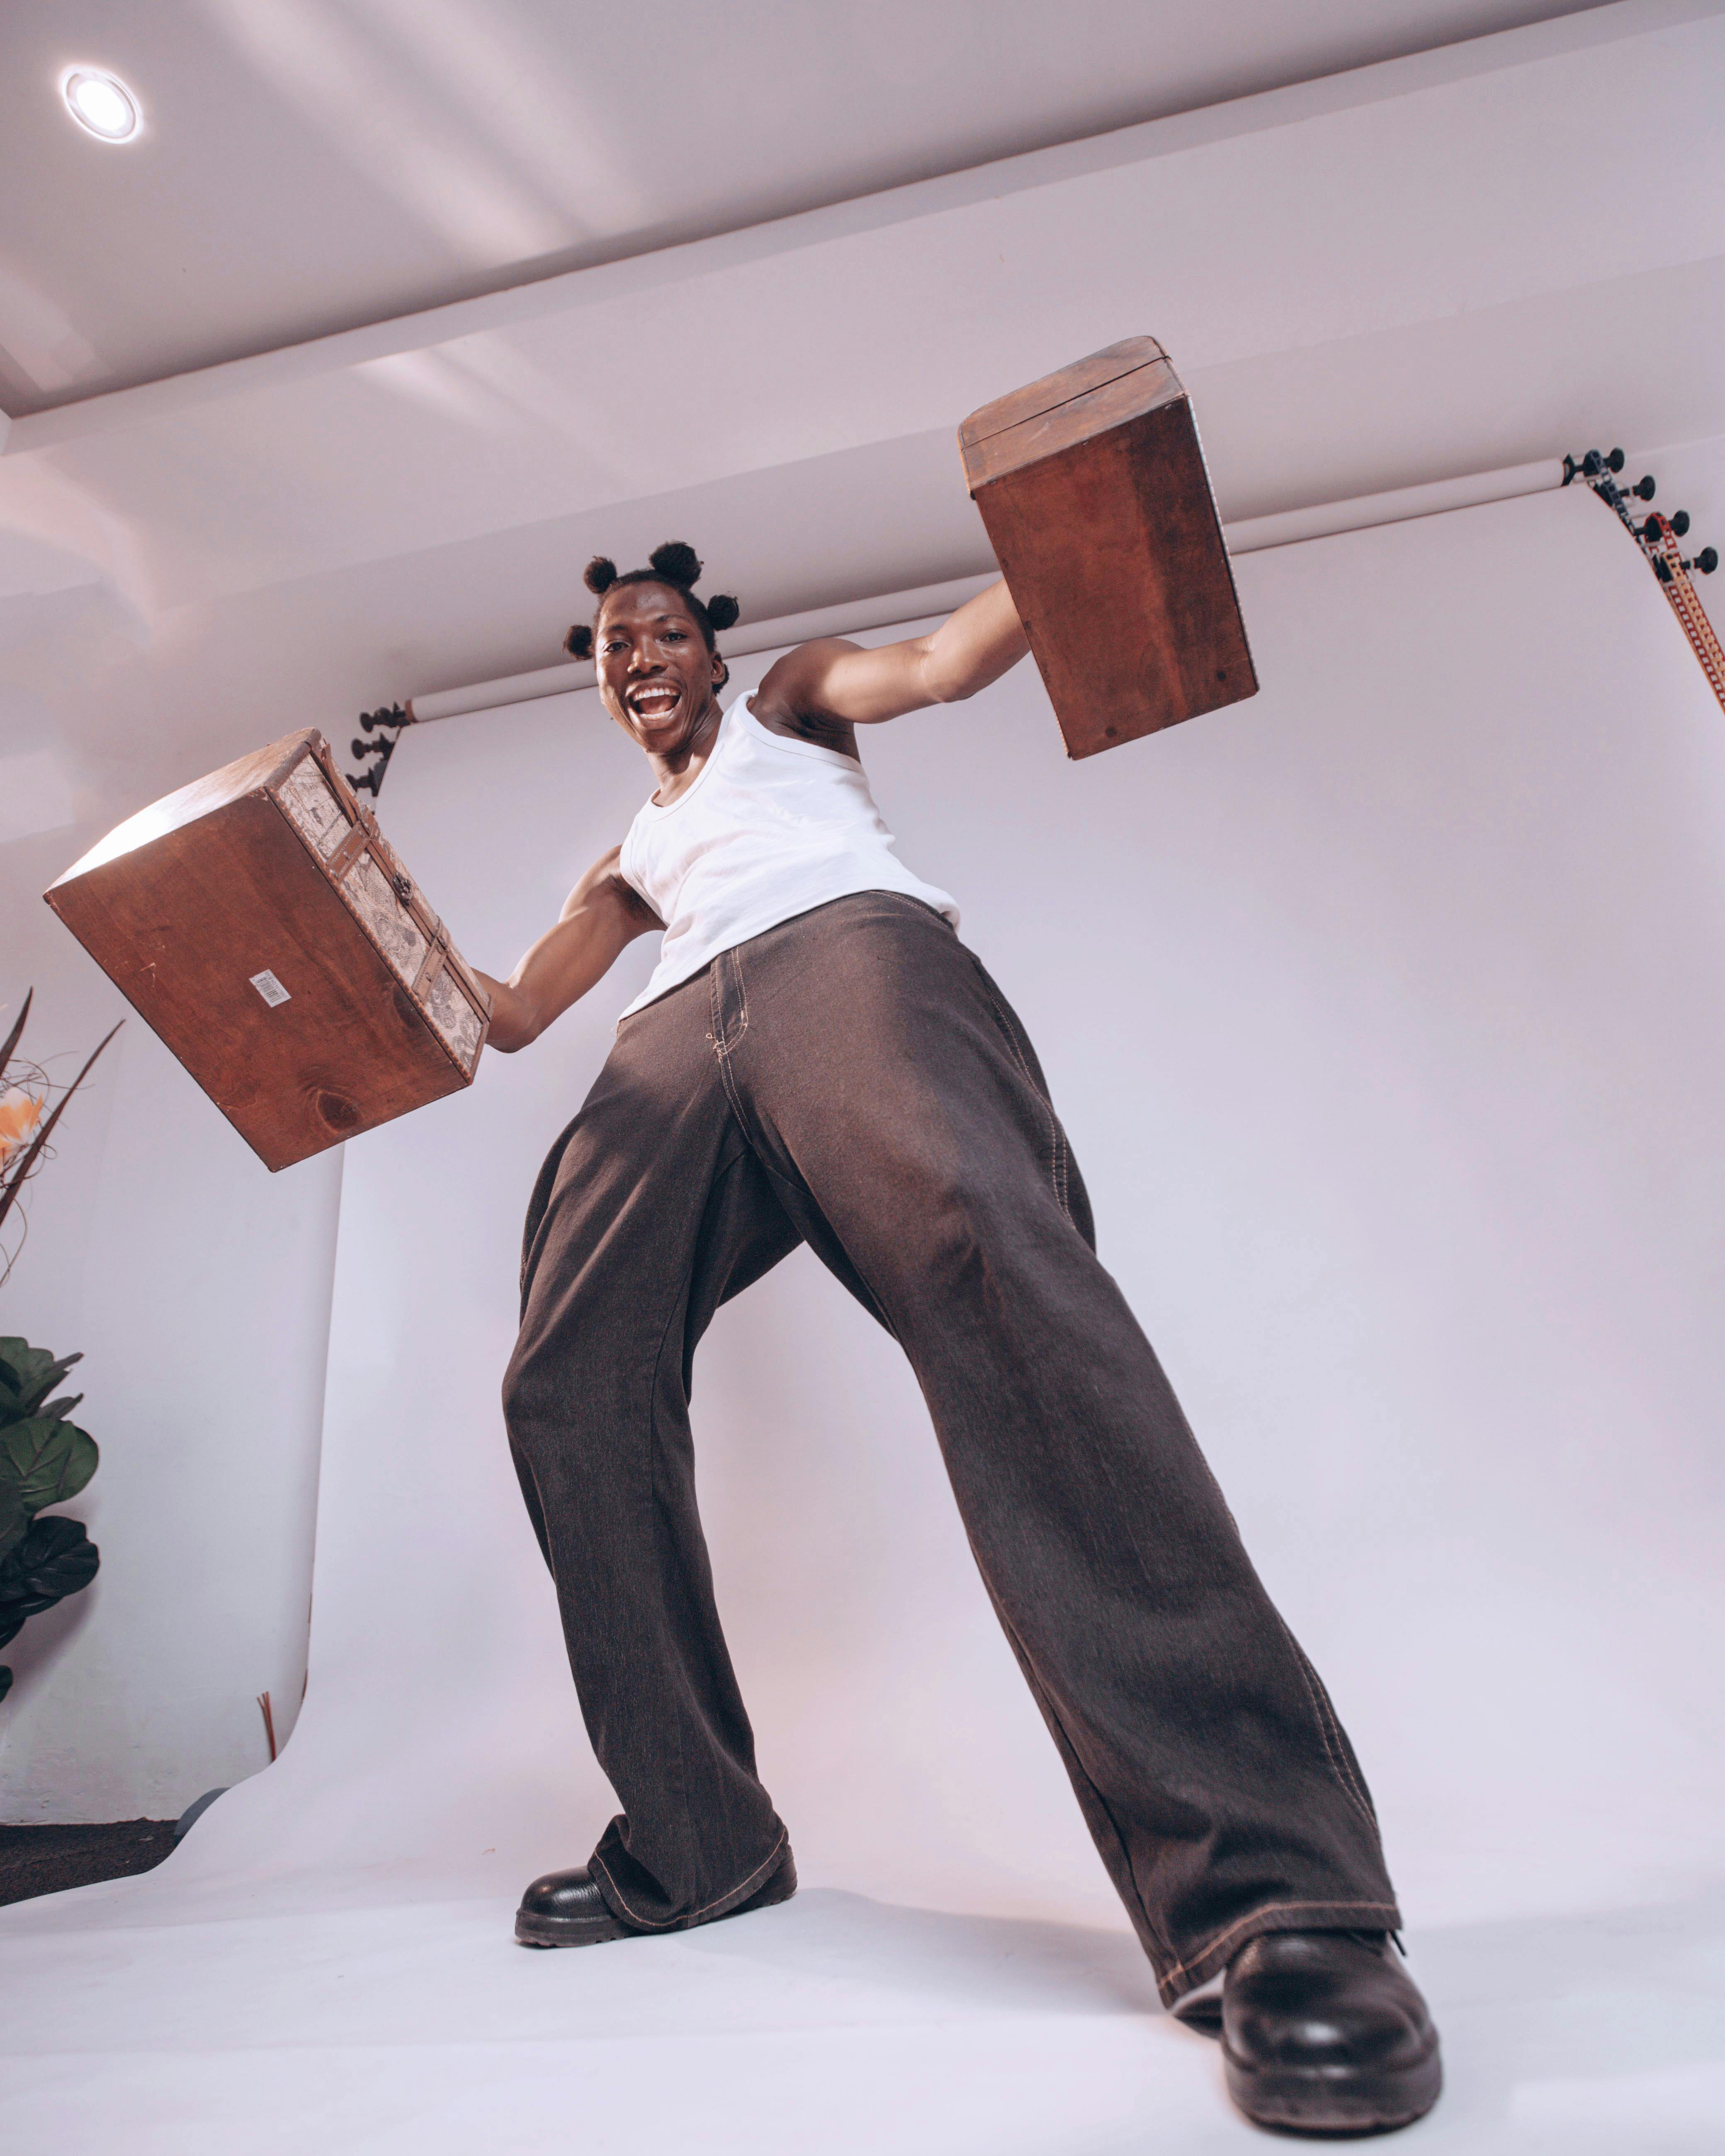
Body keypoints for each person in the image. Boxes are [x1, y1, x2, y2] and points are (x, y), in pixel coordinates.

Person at [473, 541, 1441, 2137]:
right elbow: (511, 1016)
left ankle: (1278, 1898)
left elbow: (935, 668)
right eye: (606, 647)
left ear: (713, 650)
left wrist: (1061, 535)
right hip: (670, 1031)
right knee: (564, 1377)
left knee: (992, 1268)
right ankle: (699, 1835)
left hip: (846, 959)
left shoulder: (791, 709)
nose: (632, 654)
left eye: (656, 630)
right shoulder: (629, 862)